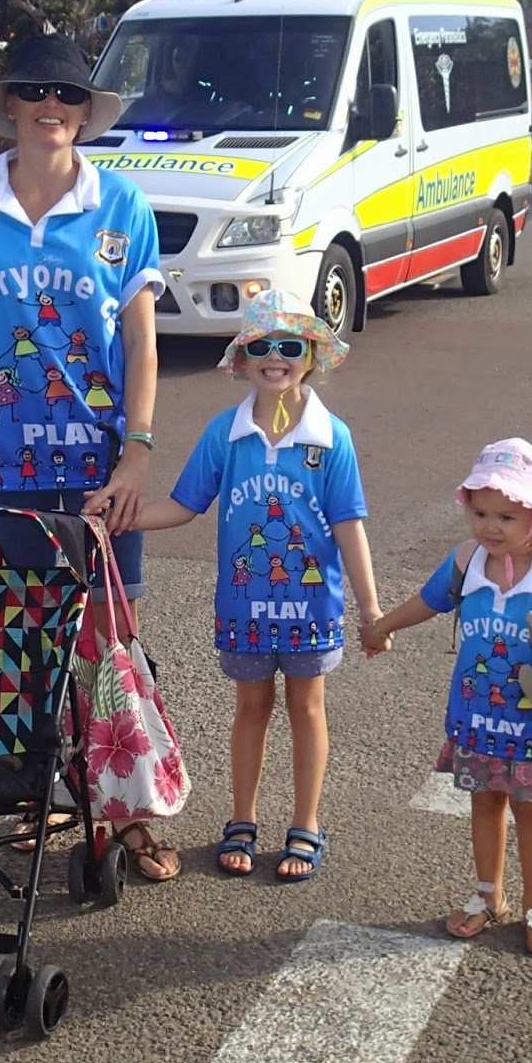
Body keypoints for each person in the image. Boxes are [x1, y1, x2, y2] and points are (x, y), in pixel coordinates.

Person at [0, 30, 180, 882]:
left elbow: (142, 343)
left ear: (85, 111)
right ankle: (30, 795)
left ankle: (131, 813)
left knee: (112, 640)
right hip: (4, 470)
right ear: (7, 106)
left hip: (99, 469)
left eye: (68, 96)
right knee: (22, 637)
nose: (51, 107)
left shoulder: (123, 207)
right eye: (34, 92)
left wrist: (137, 453)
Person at [131, 289, 383, 882]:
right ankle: (241, 819)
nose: (276, 357)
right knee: (249, 708)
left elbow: (349, 524)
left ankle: (306, 823)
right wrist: (116, 516)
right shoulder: (226, 433)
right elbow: (184, 505)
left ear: (312, 357)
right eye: (261, 347)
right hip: (244, 608)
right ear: (241, 362)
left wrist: (371, 608)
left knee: (307, 707)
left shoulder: (331, 438)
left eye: (290, 346)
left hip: (312, 607)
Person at [361, 439, 532, 955]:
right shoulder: (467, 562)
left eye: (507, 517)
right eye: (480, 513)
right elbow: (427, 602)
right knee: (484, 805)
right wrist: (382, 625)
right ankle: (487, 896)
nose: (491, 527)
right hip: (477, 716)